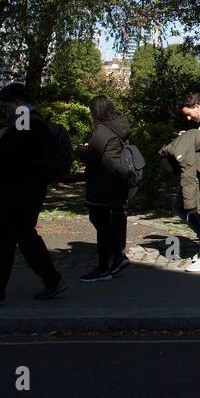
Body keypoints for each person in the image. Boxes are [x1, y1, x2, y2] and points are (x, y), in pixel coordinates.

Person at [0, 84, 65, 307]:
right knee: (26, 237)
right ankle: (52, 280)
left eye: (6, 104)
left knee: (1, 240)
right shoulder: (35, 121)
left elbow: (11, 154)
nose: (5, 109)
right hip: (31, 189)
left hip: (16, 190)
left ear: (18, 102)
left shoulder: (23, 119)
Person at [76, 95, 134, 282]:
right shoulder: (120, 123)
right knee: (112, 221)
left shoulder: (102, 130)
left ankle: (104, 269)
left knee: (100, 222)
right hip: (118, 178)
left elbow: (93, 155)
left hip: (103, 181)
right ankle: (118, 257)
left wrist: (80, 149)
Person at [161, 124, 200, 272]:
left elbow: (188, 172)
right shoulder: (188, 137)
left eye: (188, 113)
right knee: (183, 208)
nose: (188, 119)